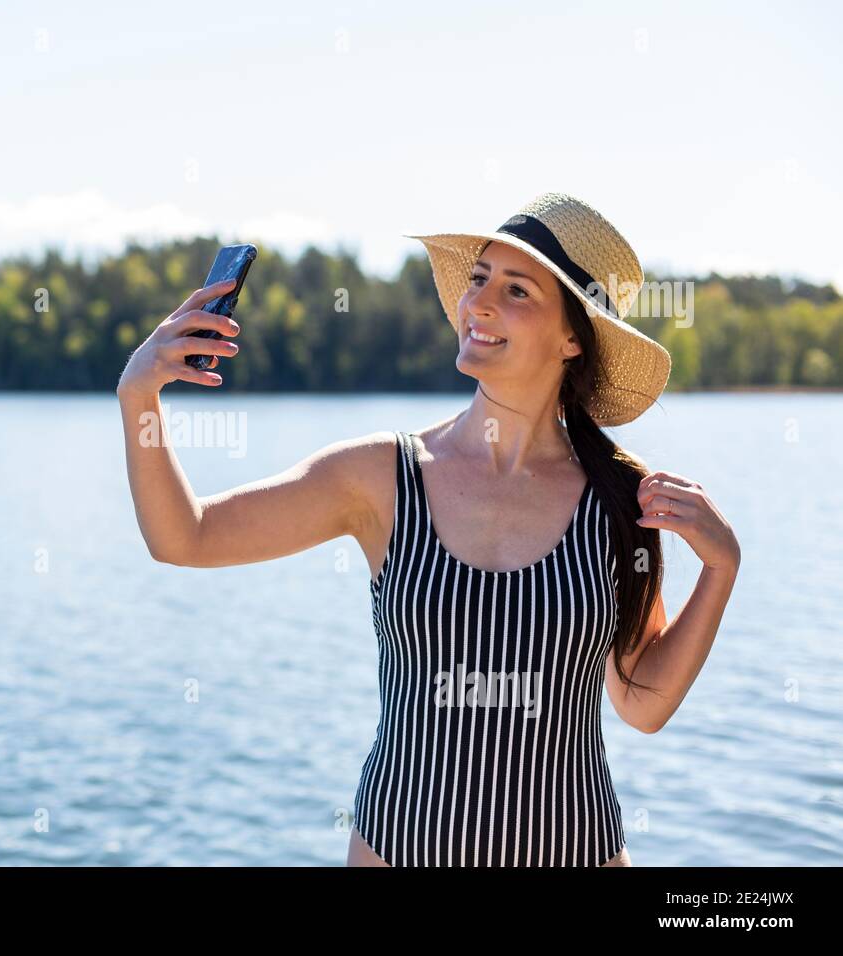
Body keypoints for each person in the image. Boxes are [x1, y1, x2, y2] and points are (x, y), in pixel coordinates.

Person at [114, 193, 741, 866]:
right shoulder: (381, 476)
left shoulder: (620, 497)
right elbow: (187, 537)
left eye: (516, 289)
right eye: (478, 280)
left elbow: (641, 702)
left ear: (571, 337)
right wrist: (138, 399)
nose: (480, 303)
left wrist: (721, 569)